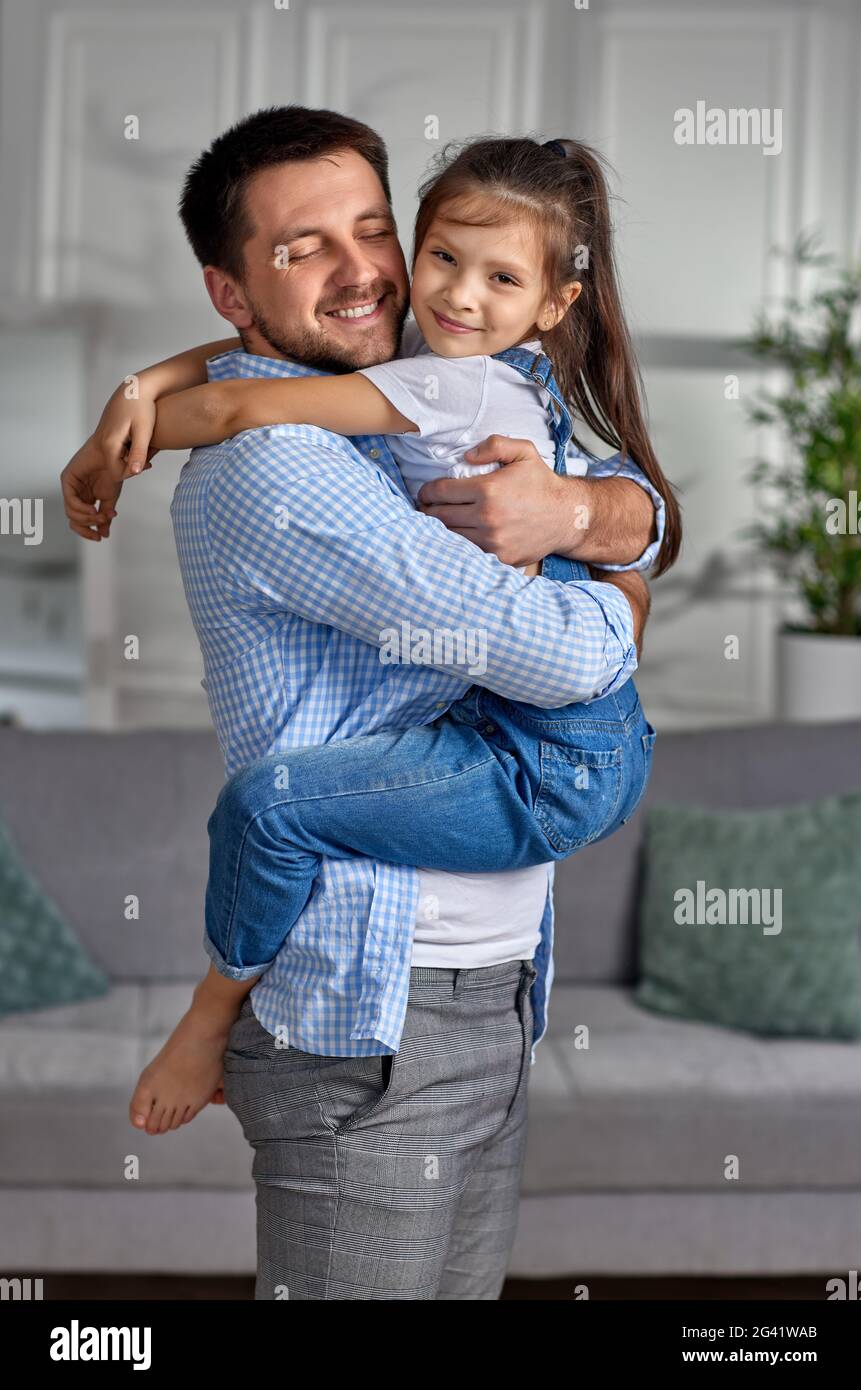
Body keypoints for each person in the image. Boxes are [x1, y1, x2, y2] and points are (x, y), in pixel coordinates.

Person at [62, 106, 675, 1300]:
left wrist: (592, 516)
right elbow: (566, 658)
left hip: (491, 988)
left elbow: (629, 496)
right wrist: (626, 588)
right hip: (377, 1013)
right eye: (303, 249)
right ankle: (211, 1008)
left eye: (374, 230)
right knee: (272, 806)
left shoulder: (435, 375)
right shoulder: (281, 468)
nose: (365, 275)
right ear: (232, 291)